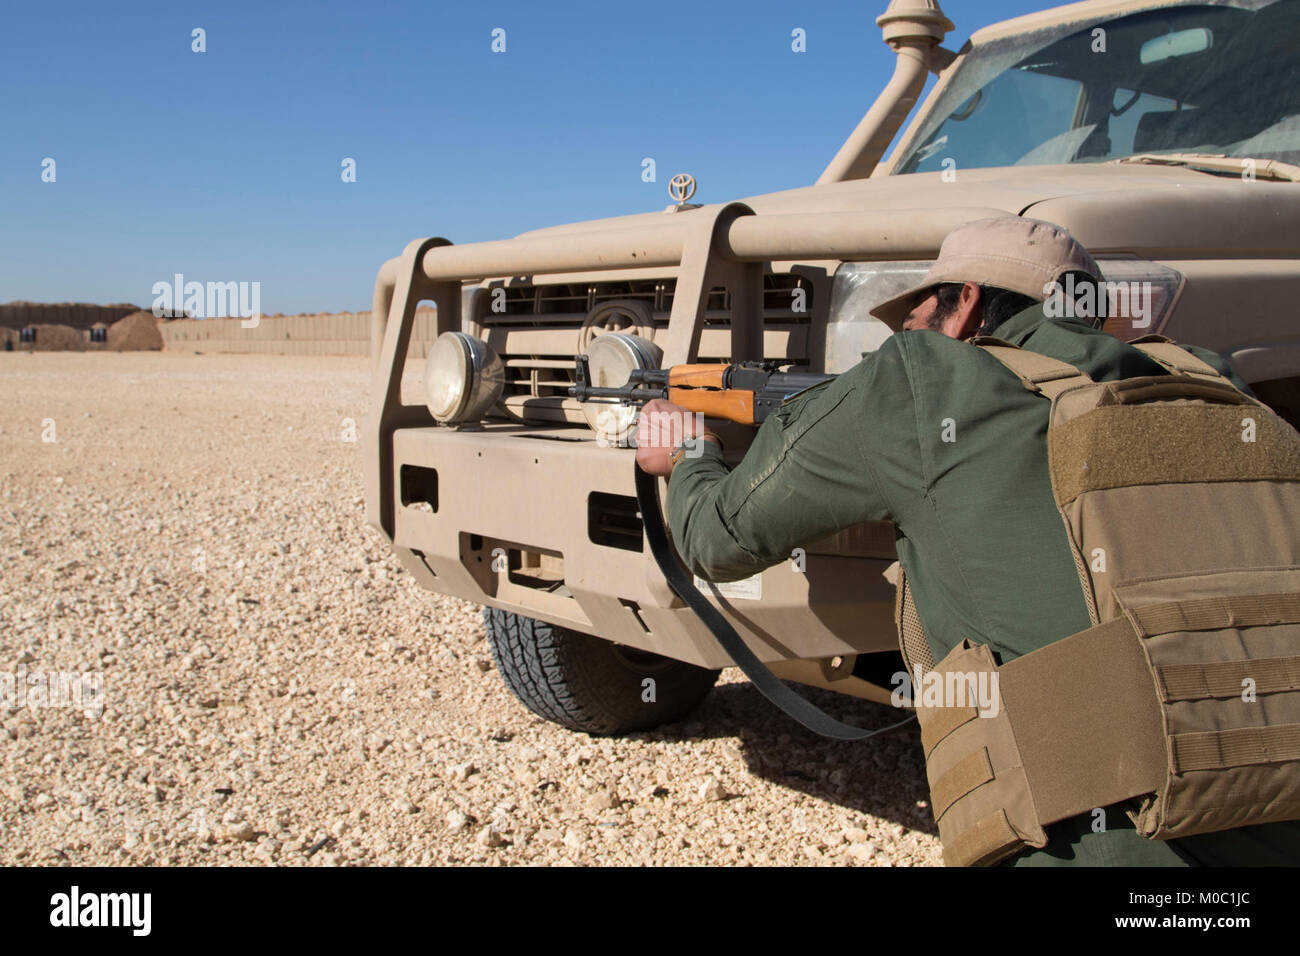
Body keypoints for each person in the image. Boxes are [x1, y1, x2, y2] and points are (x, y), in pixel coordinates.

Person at [635, 217, 1300, 866]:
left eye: (916, 311)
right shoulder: (1211, 381)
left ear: (967, 307)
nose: (907, 330)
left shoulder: (925, 380)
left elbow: (715, 538)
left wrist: (691, 450)